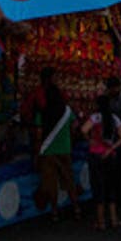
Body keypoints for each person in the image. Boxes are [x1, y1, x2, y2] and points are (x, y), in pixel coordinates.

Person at [32, 67, 78, 222]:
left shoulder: (41, 112)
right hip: (65, 148)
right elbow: (74, 126)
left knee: (51, 183)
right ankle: (76, 207)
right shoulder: (67, 111)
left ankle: (54, 211)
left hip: (48, 150)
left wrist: (37, 152)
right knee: (69, 179)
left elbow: (38, 134)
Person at [85, 96, 121, 231]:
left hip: (96, 155)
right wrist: (111, 148)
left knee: (98, 187)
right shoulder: (114, 118)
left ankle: (101, 221)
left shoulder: (95, 118)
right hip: (110, 156)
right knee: (110, 186)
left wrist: (90, 140)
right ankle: (114, 219)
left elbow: (83, 130)